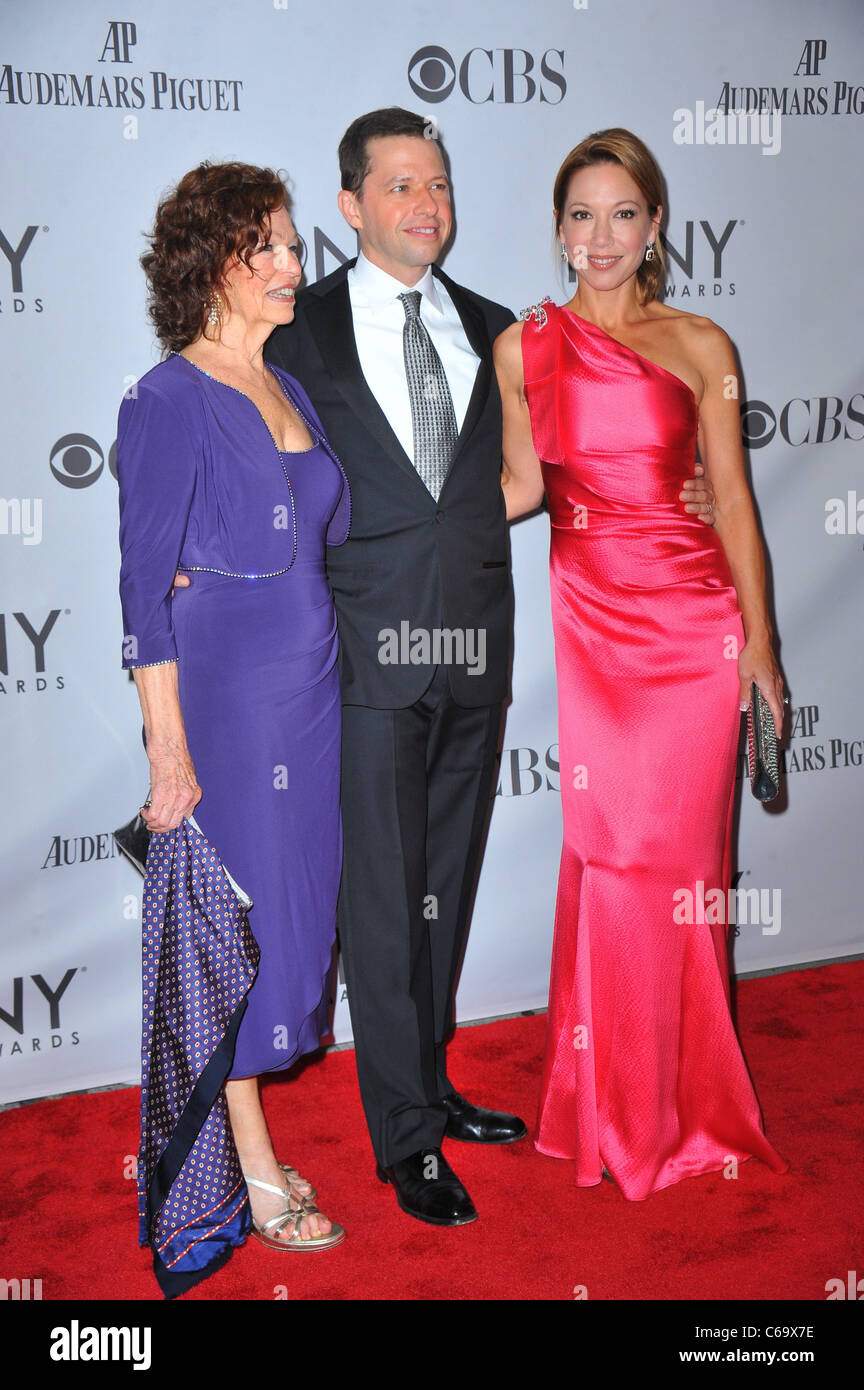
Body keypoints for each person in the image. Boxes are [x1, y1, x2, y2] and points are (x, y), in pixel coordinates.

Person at [263, 109, 716, 1224]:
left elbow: (561, 467)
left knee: (441, 893)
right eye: (401, 185)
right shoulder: (295, 335)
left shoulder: (502, 330)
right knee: (380, 902)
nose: (426, 203)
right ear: (352, 206)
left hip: (473, 647)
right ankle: (405, 1138)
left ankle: (431, 1075)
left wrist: (675, 497)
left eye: (440, 184)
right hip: (362, 657)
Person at [495, 128, 789, 1199]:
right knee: (615, 862)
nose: (602, 236)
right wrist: (400, 533)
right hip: (599, 625)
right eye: (582, 214)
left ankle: (687, 1106)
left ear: (656, 225)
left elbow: (738, 501)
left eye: (624, 213)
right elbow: (519, 488)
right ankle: (610, 1105)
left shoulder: (703, 344)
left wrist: (758, 647)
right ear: (559, 228)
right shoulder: (525, 342)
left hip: (695, 630)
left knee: (685, 876)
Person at [117, 162, 348, 1290]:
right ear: (216, 260)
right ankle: (250, 1164)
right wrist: (168, 744)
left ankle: (254, 1133)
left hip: (309, 694)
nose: (295, 266)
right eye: (274, 246)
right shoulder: (168, 397)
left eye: (297, 245)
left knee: (297, 928)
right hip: (227, 695)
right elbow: (140, 588)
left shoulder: (285, 384)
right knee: (237, 932)